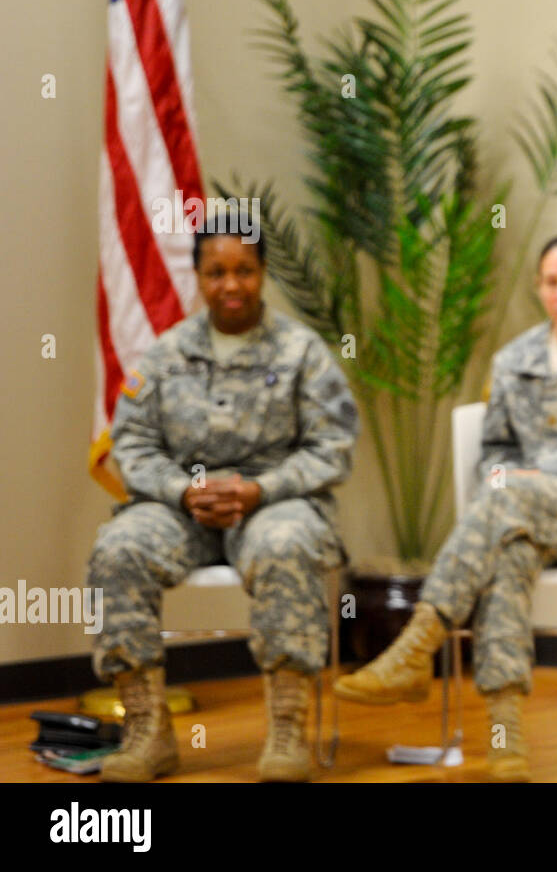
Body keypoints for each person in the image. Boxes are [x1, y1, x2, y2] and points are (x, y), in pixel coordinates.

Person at [335, 234, 557, 782]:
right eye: (552, 282)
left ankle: (417, 646)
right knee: (510, 545)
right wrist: (515, 481)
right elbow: (492, 458)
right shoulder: (514, 361)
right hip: (524, 517)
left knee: (510, 498)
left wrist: (541, 476)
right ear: (539, 287)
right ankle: (506, 736)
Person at [88, 213, 358, 782]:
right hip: (182, 505)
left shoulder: (301, 351)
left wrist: (262, 488)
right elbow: (133, 444)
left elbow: (333, 446)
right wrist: (183, 492)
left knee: (288, 542)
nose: (230, 284)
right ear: (198, 277)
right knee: (119, 548)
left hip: (272, 499)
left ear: (263, 272)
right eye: (216, 272)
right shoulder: (165, 355)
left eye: (244, 270)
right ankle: (147, 730)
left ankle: (287, 729)